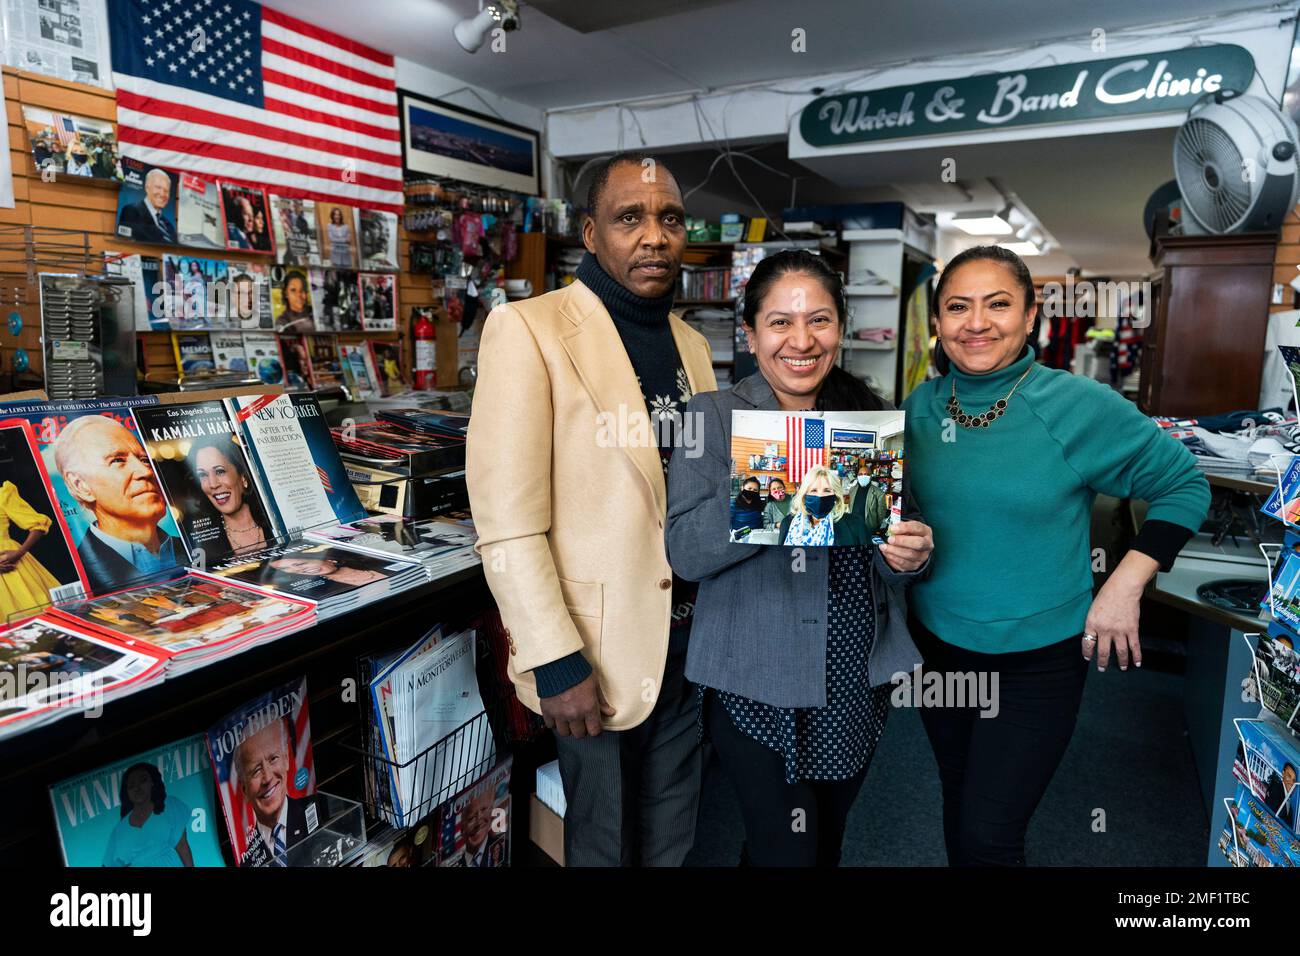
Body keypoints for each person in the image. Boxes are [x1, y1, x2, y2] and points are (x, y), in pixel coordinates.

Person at [901, 244, 1210, 867]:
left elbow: (1185, 484)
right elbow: (911, 515)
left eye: (998, 305)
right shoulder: (919, 408)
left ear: (1031, 313)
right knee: (960, 806)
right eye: (958, 307)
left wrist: (1124, 585)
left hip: (1035, 662)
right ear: (937, 322)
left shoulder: (1076, 404)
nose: (977, 322)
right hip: (938, 645)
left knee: (991, 835)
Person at [466, 152, 716, 866]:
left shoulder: (694, 346)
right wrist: (553, 660)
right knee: (603, 845)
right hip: (592, 653)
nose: (655, 236)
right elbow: (508, 524)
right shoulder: (529, 331)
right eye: (629, 217)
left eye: (670, 218)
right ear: (591, 232)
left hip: (686, 643)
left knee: (672, 836)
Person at [666, 248, 934, 866]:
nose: (801, 340)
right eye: (780, 322)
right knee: (787, 848)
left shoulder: (869, 418)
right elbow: (684, 554)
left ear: (839, 328)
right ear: (752, 333)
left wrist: (908, 556)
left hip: (852, 674)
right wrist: (772, 485)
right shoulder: (712, 416)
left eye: (819, 319)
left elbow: (903, 546)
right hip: (752, 676)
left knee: (822, 847)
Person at [51, 415, 182, 594]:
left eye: (144, 460)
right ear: (80, 485)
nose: (145, 471)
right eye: (117, 460)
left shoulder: (192, 549)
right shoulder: (75, 572)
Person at [233, 718, 316, 866]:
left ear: (286, 760)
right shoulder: (246, 862)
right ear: (244, 789)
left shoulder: (316, 810)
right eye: (256, 770)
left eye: (273, 759)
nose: (268, 777)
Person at [186, 435, 273, 559]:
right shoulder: (202, 542)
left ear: (243, 477)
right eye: (203, 474)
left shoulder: (274, 520)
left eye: (220, 471)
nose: (213, 484)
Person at [102, 763, 195, 867]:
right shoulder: (119, 830)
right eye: (131, 786)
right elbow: (109, 864)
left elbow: (182, 846)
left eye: (143, 780)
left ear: (152, 782)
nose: (137, 788)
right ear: (127, 792)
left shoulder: (169, 805)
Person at [0, 480, 64, 621]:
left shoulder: (3, 495)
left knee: (38, 620)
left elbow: (38, 525)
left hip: (11, 566)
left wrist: (19, 553)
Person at [778, 464, 870, 546]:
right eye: (814, 490)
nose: (820, 496)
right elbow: (781, 560)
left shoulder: (855, 525)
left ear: (836, 496)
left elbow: (868, 561)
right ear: (804, 495)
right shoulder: (787, 524)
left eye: (827, 490)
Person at [117, 168, 175, 244]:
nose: (162, 194)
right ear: (147, 187)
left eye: (166, 191)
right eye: (158, 187)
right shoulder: (131, 211)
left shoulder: (169, 226)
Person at [268, 555, 385, 586]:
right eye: (285, 568)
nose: (299, 569)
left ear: (328, 559)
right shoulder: (318, 591)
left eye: (301, 563)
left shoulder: (376, 563)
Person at [848, 463, 888, 535]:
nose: (863, 476)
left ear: (870, 477)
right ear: (857, 476)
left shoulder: (879, 493)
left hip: (868, 529)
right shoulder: (852, 490)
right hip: (853, 527)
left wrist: (875, 527)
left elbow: (881, 514)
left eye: (866, 474)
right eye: (860, 474)